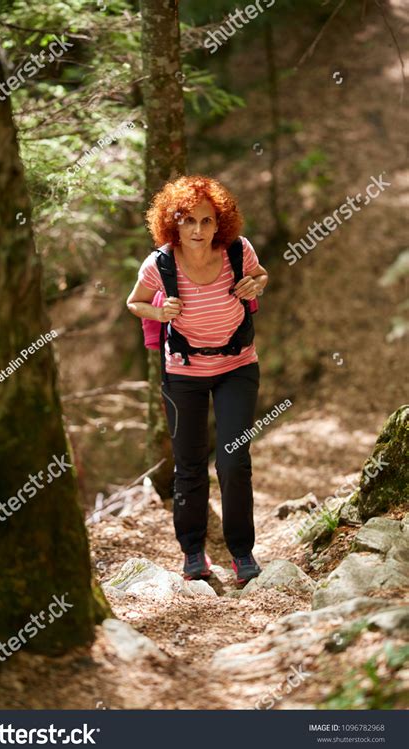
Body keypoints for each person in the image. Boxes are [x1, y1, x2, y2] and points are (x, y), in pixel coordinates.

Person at [126, 175, 269, 586]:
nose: (198, 230)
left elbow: (262, 276)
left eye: (206, 222)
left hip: (237, 366)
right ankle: (193, 553)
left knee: (233, 461)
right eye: (188, 221)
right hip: (183, 373)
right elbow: (133, 302)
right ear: (173, 224)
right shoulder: (160, 264)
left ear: (219, 223)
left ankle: (242, 553)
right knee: (189, 466)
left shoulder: (238, 251)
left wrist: (254, 283)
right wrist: (159, 313)